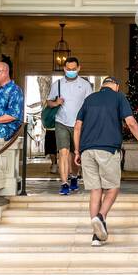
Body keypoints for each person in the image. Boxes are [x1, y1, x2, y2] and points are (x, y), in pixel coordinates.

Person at [72, 76, 138, 247]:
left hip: (87, 151)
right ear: (116, 86)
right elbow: (131, 122)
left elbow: (77, 126)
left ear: (102, 86)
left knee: (95, 191)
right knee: (113, 188)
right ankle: (101, 216)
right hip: (107, 149)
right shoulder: (118, 97)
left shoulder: (89, 99)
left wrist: (77, 151)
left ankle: (96, 236)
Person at [46, 55, 92, 196]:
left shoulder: (85, 85)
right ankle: (64, 183)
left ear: (78, 68)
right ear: (64, 68)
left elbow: (89, 105)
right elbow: (49, 102)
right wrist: (56, 103)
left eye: (74, 68)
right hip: (61, 122)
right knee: (63, 153)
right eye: (68, 68)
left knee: (75, 154)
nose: (71, 70)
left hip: (79, 124)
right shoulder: (57, 84)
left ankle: (74, 177)